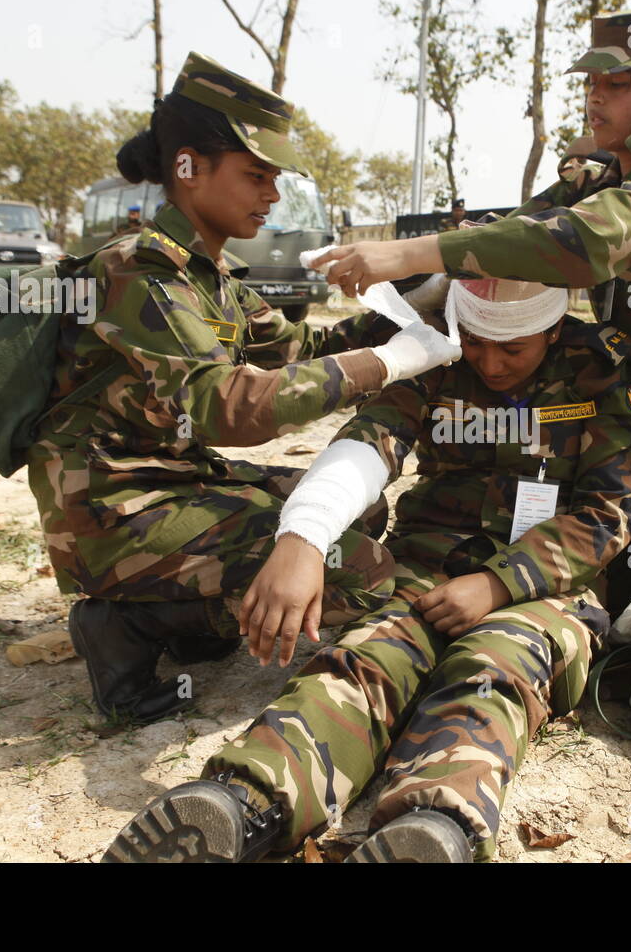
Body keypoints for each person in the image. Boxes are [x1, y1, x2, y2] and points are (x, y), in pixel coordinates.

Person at [104, 275, 631, 864]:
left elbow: (606, 514)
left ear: (554, 329)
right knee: (361, 662)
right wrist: (304, 535)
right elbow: (370, 442)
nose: (488, 361)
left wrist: (500, 584)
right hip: (421, 573)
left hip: (546, 593)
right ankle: (245, 802)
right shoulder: (443, 356)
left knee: (495, 670)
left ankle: (436, 825)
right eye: (475, 340)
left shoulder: (600, 374)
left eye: (510, 347)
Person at [307, 4, 631, 617]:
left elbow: (582, 243)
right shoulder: (597, 179)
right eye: (591, 83)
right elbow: (510, 235)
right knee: (612, 582)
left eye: (616, 84)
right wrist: (421, 292)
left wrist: (405, 252)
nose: (595, 99)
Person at [27, 52, 460, 723]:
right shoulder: (138, 272)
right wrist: (394, 362)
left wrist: (406, 303)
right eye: (256, 175)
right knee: (363, 572)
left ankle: (187, 616)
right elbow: (231, 409)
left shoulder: (210, 278)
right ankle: (128, 625)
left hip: (169, 478)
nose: (272, 196)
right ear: (187, 168)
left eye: (274, 177)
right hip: (112, 506)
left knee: (357, 511)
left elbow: (302, 352)